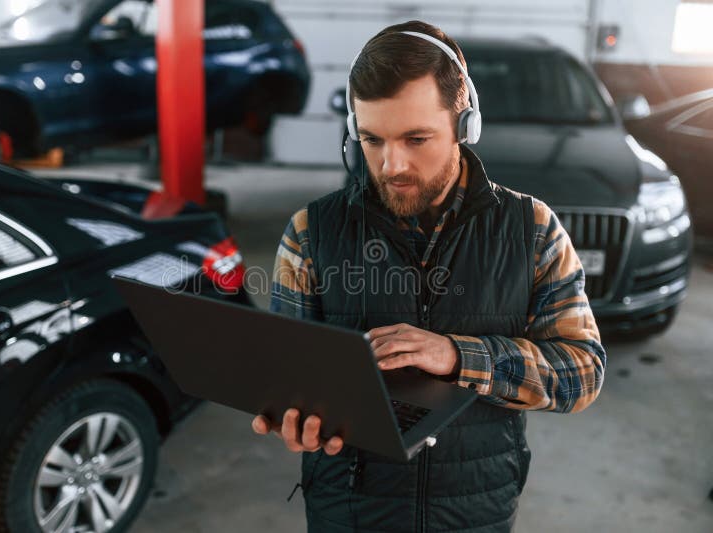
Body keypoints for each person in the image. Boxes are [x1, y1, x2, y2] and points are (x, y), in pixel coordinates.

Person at [252, 20, 606, 532]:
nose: (392, 164)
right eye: (372, 140)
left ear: (466, 127)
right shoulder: (310, 232)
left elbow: (581, 373)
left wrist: (458, 355)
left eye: (417, 138)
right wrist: (292, 414)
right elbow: (288, 370)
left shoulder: (532, 230)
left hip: (476, 509)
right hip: (348, 510)